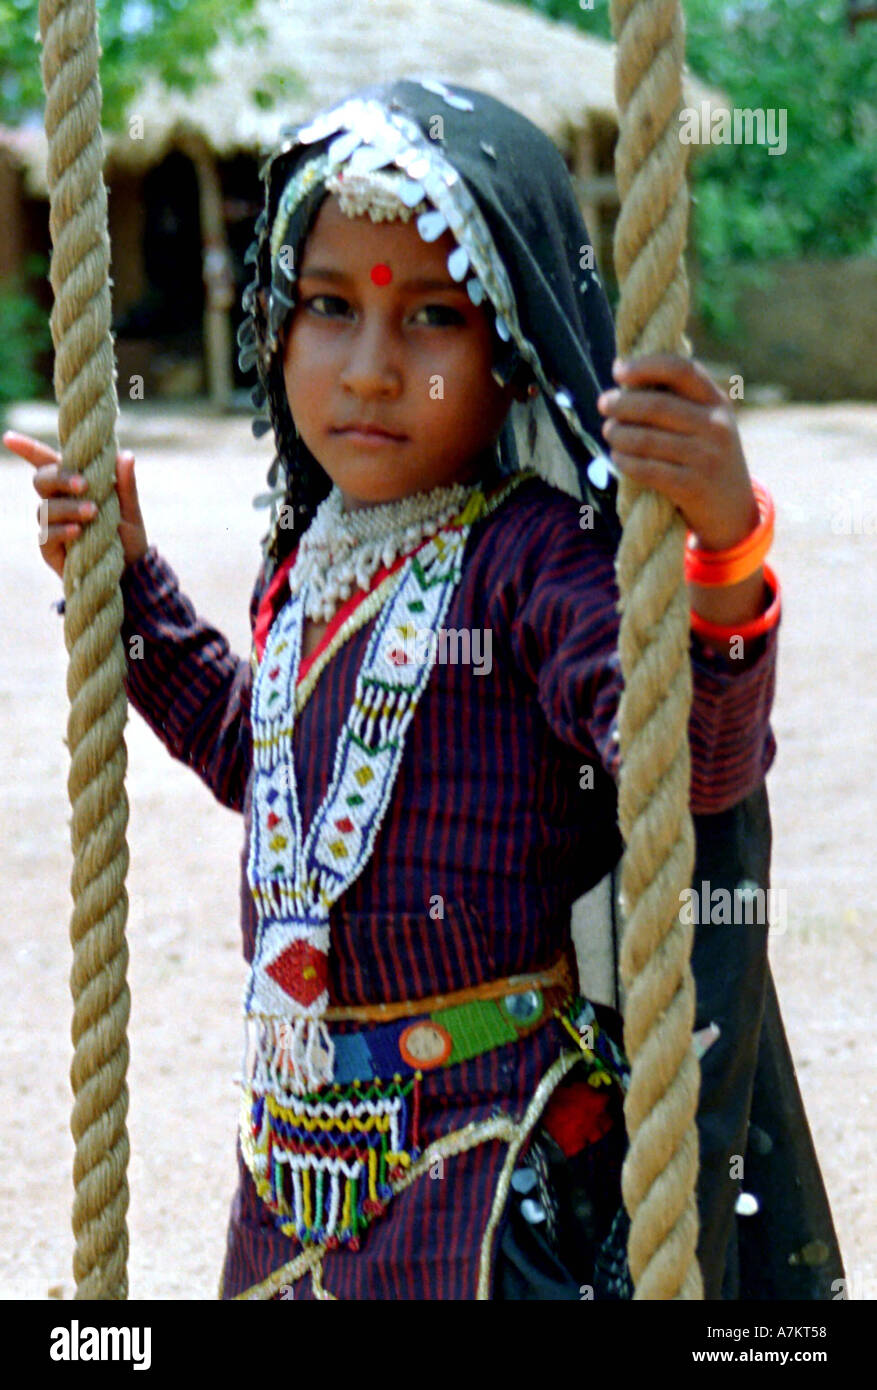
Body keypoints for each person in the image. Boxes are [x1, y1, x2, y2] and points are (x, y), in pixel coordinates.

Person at [5, 78, 843, 1301]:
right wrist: (125, 588)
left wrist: (720, 560)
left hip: (485, 1166)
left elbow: (682, 770)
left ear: (512, 355)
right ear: (273, 333)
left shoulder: (536, 559)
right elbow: (257, 754)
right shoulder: (314, 558)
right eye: (328, 308)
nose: (371, 370)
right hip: (294, 1163)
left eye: (434, 318)